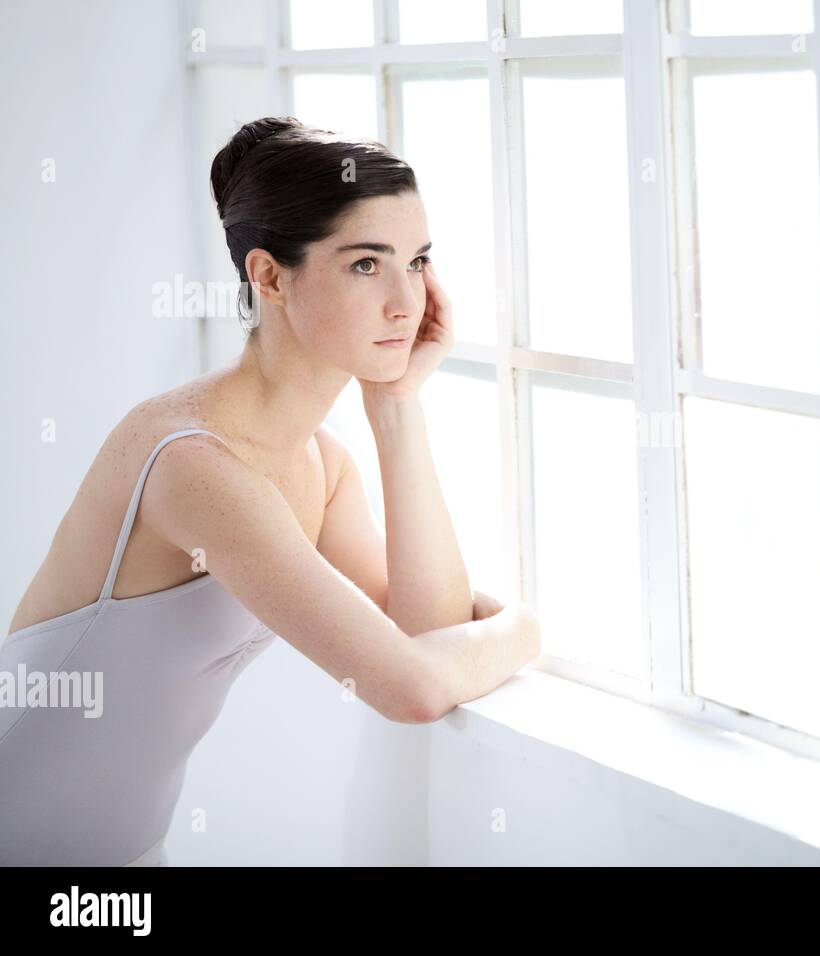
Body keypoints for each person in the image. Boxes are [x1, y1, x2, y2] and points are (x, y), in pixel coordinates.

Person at [0, 116, 542, 866]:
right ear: (269, 275)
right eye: (365, 265)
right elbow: (409, 687)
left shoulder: (319, 464)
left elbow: (426, 630)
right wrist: (523, 629)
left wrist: (394, 407)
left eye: (417, 263)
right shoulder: (194, 464)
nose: (405, 302)